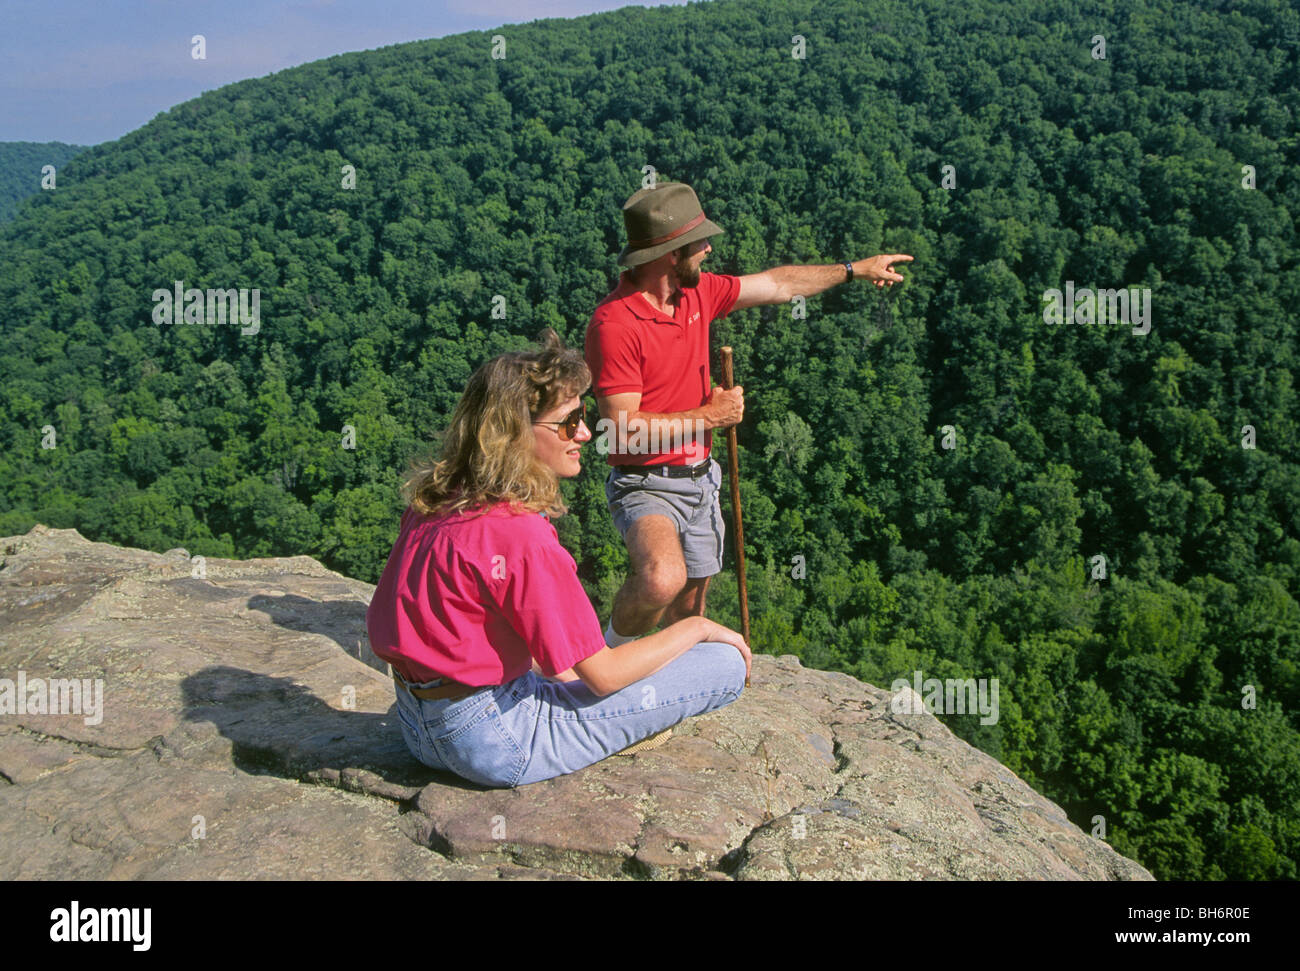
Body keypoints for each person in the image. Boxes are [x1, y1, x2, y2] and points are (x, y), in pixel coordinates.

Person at [365, 329, 751, 788]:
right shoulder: (521, 535)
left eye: (583, 416)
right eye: (569, 422)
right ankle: (620, 730)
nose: (586, 433)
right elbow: (603, 677)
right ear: (516, 435)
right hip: (498, 741)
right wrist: (698, 627)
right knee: (723, 664)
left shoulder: (439, 500)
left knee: (575, 670)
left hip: (419, 726)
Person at [585, 181, 913, 645]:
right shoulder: (615, 324)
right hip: (646, 482)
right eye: (698, 242)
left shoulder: (696, 294)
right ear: (670, 253)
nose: (709, 249)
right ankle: (605, 660)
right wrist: (709, 416)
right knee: (662, 579)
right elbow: (620, 433)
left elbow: (779, 284)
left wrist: (853, 270)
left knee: (692, 597)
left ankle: (672, 686)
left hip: (700, 476)